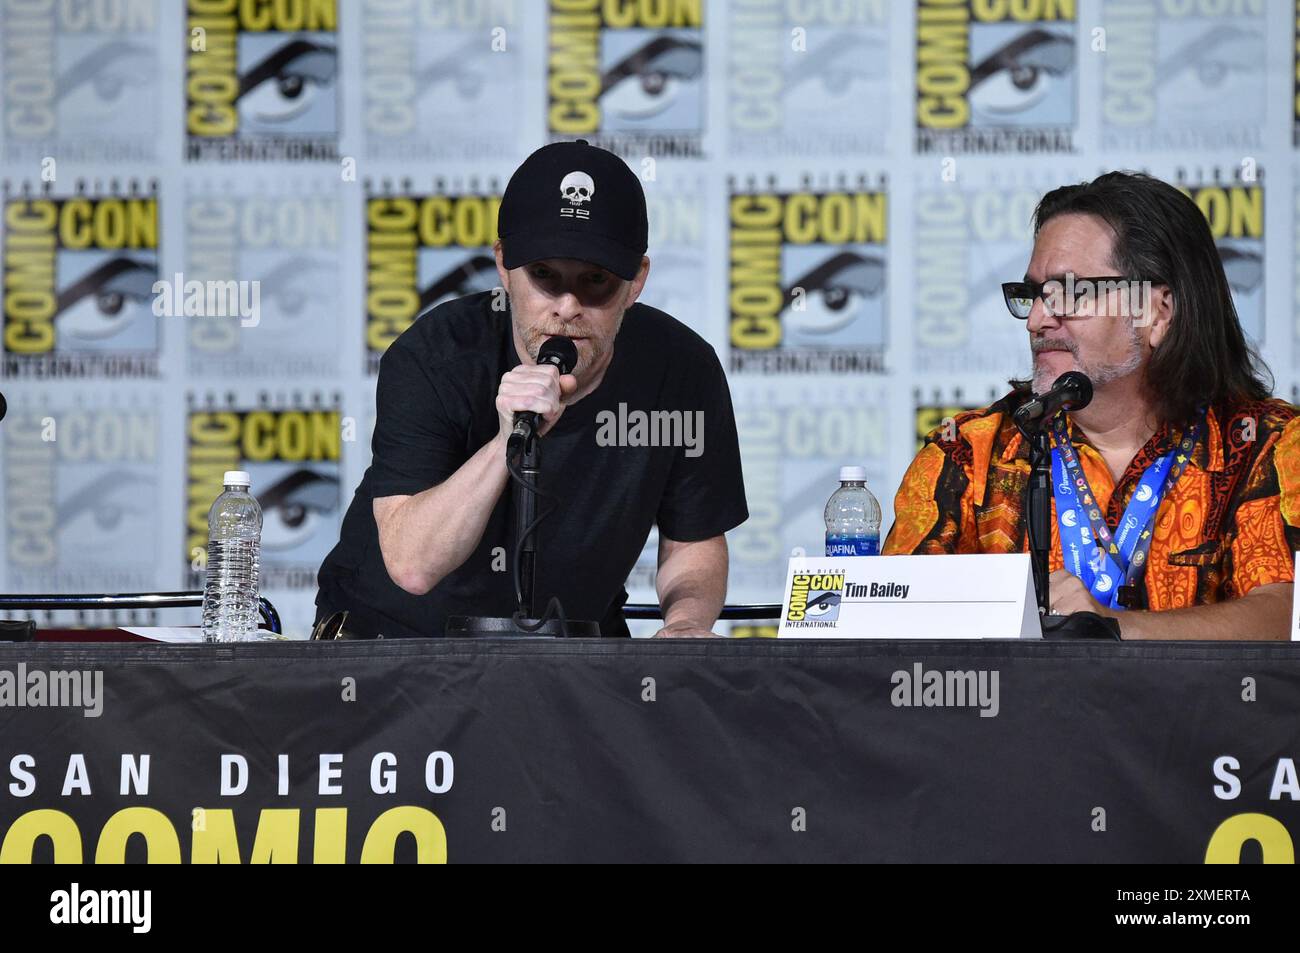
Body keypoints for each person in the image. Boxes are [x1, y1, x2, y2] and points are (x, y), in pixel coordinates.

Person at [315, 139, 747, 638]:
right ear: (504, 265)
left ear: (636, 282)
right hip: (396, 648)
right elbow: (412, 565)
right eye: (544, 276)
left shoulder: (680, 368)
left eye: (596, 281)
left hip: (576, 649)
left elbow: (693, 540)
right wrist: (507, 440)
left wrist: (686, 624)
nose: (566, 307)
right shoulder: (435, 356)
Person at [884, 171, 1299, 640]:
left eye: (1070, 293)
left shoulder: (1264, 447)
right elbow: (888, 621)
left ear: (1157, 313)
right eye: (1035, 295)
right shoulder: (968, 453)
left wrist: (1110, 630)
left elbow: (1283, 616)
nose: (1037, 320)